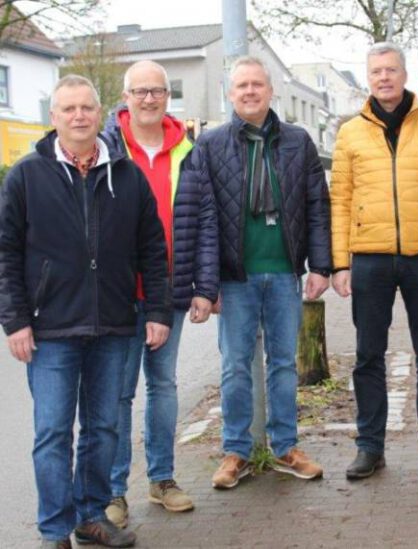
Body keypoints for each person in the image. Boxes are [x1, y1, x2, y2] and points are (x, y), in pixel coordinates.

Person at [0, 75, 172, 549]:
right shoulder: (26, 176)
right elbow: (6, 253)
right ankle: (55, 529)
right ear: (53, 117)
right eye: (68, 109)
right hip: (50, 328)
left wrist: (157, 311)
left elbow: (152, 250)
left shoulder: (127, 174)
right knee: (53, 433)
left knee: (103, 428)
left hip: (116, 324)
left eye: (86, 108)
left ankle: (91, 516)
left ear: (101, 114)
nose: (78, 116)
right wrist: (15, 321)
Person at [183, 56, 332, 489]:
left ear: (271, 91)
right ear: (230, 93)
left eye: (257, 84)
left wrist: (319, 265)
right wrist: (205, 283)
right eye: (242, 85)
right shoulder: (210, 146)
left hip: (285, 272)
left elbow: (316, 207)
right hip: (235, 278)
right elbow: (199, 218)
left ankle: (285, 446)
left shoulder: (299, 142)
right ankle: (236, 451)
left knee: (285, 364)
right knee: (234, 366)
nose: (250, 91)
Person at [331, 42, 418, 479]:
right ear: (368, 78)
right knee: (368, 354)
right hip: (369, 259)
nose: (384, 78)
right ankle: (370, 446)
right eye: (376, 72)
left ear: (404, 74)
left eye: (391, 70)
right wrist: (340, 263)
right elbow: (340, 201)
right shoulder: (350, 132)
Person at [101, 60, 219, 527]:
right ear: (125, 96)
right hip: (117, 295)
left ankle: (163, 479)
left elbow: (207, 223)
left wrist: (205, 287)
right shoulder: (107, 148)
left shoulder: (190, 150)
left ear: (168, 97)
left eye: (157, 91)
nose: (149, 99)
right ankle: (113, 491)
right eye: (140, 91)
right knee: (117, 395)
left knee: (164, 387)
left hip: (168, 291)